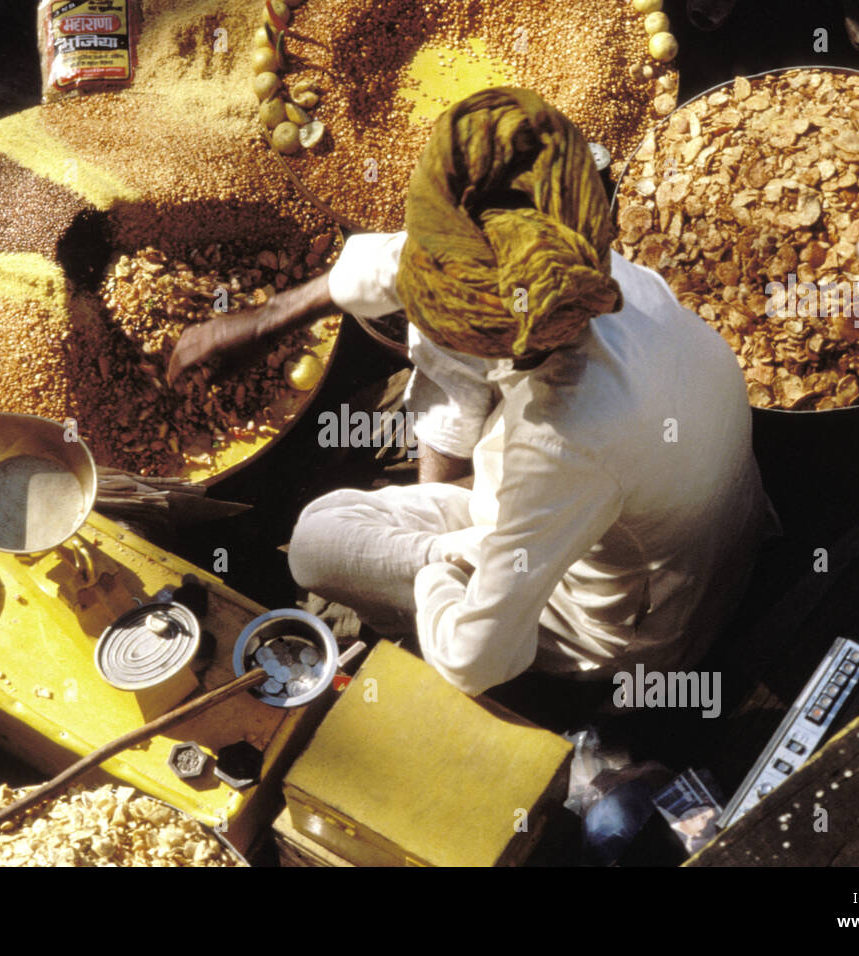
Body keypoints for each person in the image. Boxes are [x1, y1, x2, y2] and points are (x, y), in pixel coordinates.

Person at [170, 87, 777, 699]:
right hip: (681, 521)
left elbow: (475, 661)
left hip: (631, 628)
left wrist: (440, 565)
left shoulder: (567, 440)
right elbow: (421, 257)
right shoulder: (584, 265)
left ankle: (448, 546)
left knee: (315, 547)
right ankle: (453, 508)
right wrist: (268, 316)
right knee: (370, 503)